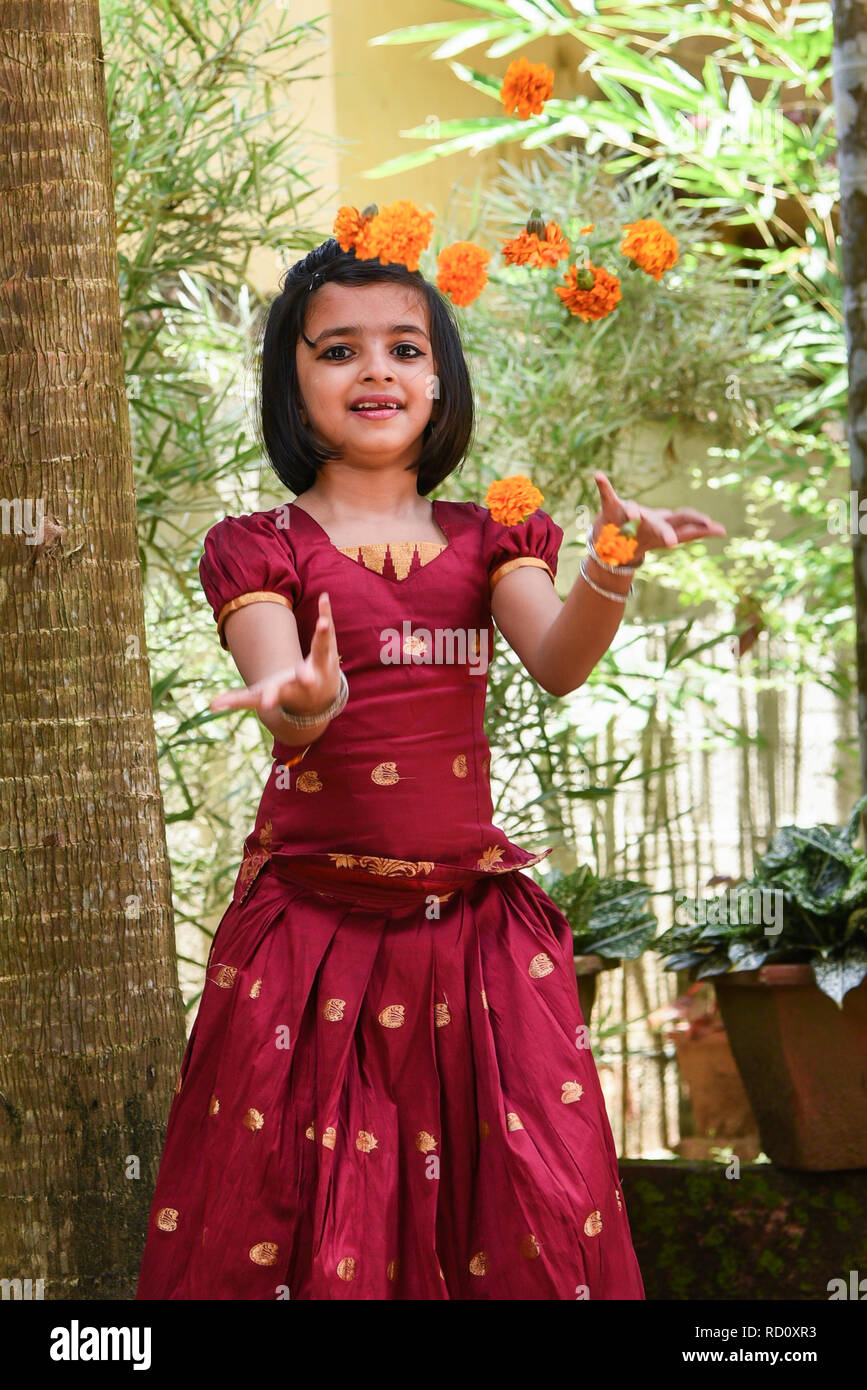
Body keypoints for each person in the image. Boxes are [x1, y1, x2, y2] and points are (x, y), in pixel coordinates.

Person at [136, 236, 726, 1301]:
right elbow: (285, 688)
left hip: (476, 945)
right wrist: (304, 702)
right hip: (309, 950)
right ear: (290, 380)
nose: (377, 370)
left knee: (516, 1214)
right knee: (302, 1218)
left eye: (406, 347)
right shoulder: (258, 545)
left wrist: (613, 562)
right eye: (338, 350)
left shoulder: (492, 538)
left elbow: (557, 660)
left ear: (441, 380)